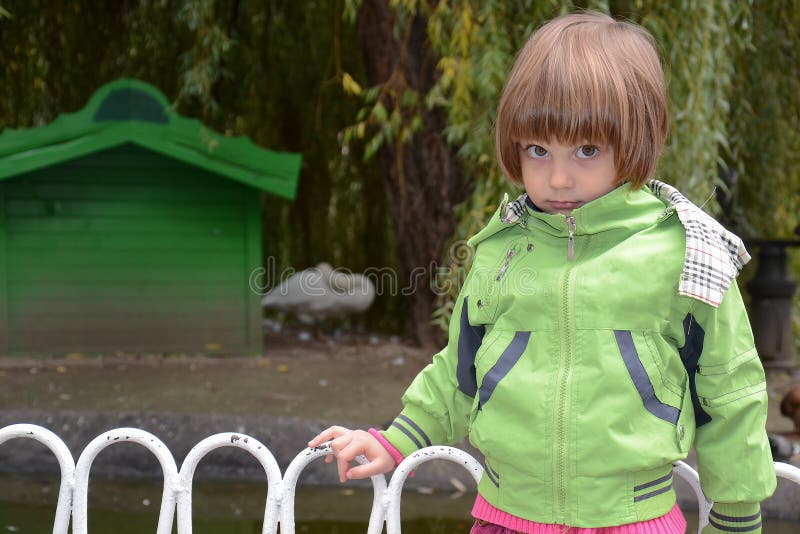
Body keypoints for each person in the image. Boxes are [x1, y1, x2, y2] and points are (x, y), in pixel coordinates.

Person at [309, 10, 776, 534]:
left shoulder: (688, 252)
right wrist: (394, 439)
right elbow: (460, 370)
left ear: (638, 140)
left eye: (586, 149)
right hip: (505, 516)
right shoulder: (502, 250)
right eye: (537, 149)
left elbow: (729, 388)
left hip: (633, 518)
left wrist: (736, 512)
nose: (557, 176)